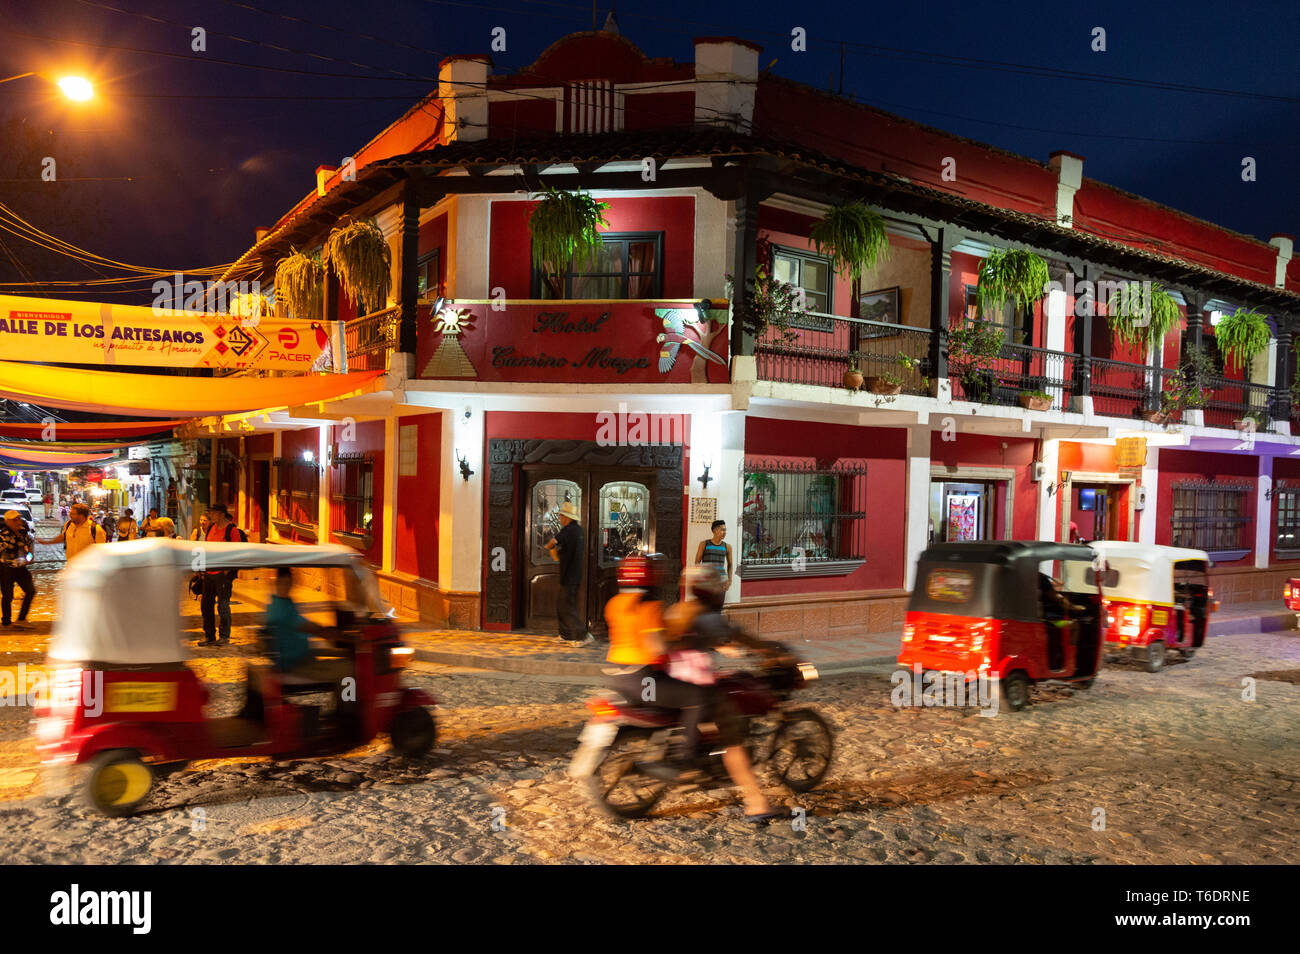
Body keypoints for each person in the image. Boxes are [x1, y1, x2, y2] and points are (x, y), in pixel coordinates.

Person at [653, 564, 782, 822]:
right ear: (713, 590)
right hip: (695, 684)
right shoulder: (709, 617)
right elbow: (738, 637)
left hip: (673, 680)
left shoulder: (678, 610)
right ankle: (756, 803)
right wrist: (770, 650)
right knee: (734, 739)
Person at [264, 567, 351, 684]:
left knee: (345, 660)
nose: (287, 587)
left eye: (289, 583)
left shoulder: (283, 603)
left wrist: (326, 632)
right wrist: (330, 633)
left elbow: (304, 623)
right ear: (277, 582)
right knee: (350, 670)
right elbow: (307, 626)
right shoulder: (281, 609)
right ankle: (349, 700)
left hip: (303, 657)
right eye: (284, 583)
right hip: (297, 664)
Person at [545, 500, 590, 645]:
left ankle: (583, 636)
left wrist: (549, 546)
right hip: (573, 573)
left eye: (561, 516)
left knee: (567, 607)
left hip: (569, 575)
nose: (560, 519)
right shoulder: (578, 530)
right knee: (562, 605)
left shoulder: (568, 530)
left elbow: (552, 542)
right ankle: (565, 635)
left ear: (568, 517)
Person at [200, 504, 247, 645]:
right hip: (209, 572)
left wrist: (226, 571)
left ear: (221, 514)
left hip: (222, 574)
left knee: (223, 605)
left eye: (213, 513)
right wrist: (201, 570)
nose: (210, 516)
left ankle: (224, 636)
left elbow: (237, 552)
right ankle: (209, 636)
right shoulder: (211, 529)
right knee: (206, 605)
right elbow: (206, 549)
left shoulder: (232, 531)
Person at [0, 510, 36, 631]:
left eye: (18, 518)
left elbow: (29, 546)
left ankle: (21, 619)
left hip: (21, 568)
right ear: (8, 521)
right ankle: (6, 621)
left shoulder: (23, 532)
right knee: (7, 596)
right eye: (15, 519)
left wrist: (30, 556)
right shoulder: (3, 534)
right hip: (6, 568)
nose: (18, 521)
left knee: (30, 591)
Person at [36, 503, 105, 564]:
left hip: (89, 568)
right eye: (70, 513)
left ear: (81, 516)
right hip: (71, 565)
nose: (70, 515)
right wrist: (48, 542)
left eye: (73, 514)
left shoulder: (95, 530)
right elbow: (64, 536)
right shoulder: (69, 524)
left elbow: (102, 552)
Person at [694, 519, 734, 593]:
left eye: (725, 530)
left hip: (721, 581)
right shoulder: (704, 544)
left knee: (718, 604)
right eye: (722, 530)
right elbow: (697, 562)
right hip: (706, 581)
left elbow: (730, 565)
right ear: (715, 530)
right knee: (706, 603)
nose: (725, 533)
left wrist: (729, 580)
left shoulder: (728, 547)